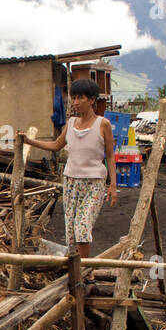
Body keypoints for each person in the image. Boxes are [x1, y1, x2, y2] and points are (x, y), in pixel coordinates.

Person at [21, 77, 117, 259]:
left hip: (94, 183)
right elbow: (56, 145)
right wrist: (29, 141)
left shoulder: (102, 124)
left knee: (82, 227)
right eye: (74, 98)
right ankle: (77, 271)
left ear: (92, 100)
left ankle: (86, 269)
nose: (76, 102)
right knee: (71, 233)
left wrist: (113, 186)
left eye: (81, 98)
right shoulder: (71, 123)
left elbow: (110, 155)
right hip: (71, 182)